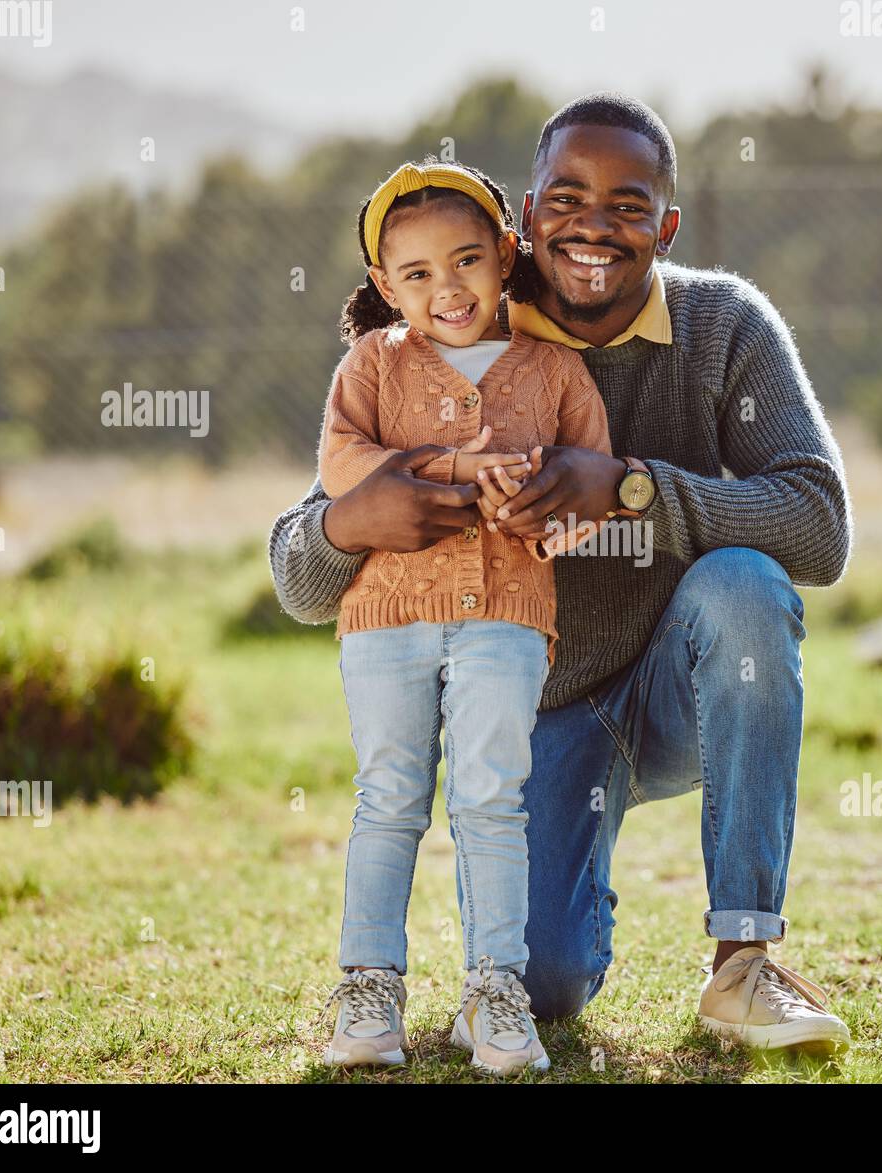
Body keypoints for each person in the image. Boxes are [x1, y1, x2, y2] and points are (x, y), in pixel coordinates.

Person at [274, 92, 856, 1055]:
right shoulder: (447, 332)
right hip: (534, 714)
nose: (594, 224)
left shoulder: (724, 327)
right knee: (544, 983)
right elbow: (299, 576)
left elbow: (820, 524)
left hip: (676, 686)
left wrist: (628, 489)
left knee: (748, 585)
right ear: (522, 226)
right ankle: (499, 948)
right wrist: (350, 519)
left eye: (629, 205)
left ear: (666, 227)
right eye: (566, 199)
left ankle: (745, 965)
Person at [315, 158, 612, 1075]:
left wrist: (560, 514)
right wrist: (448, 465)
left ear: (506, 255)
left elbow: (594, 475)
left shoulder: (554, 369)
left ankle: (495, 989)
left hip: (509, 617)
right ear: (383, 286)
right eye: (417, 274)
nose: (448, 288)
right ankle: (369, 987)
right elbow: (340, 466)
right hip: (386, 615)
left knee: (491, 797)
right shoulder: (372, 363)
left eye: (469, 260)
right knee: (390, 797)